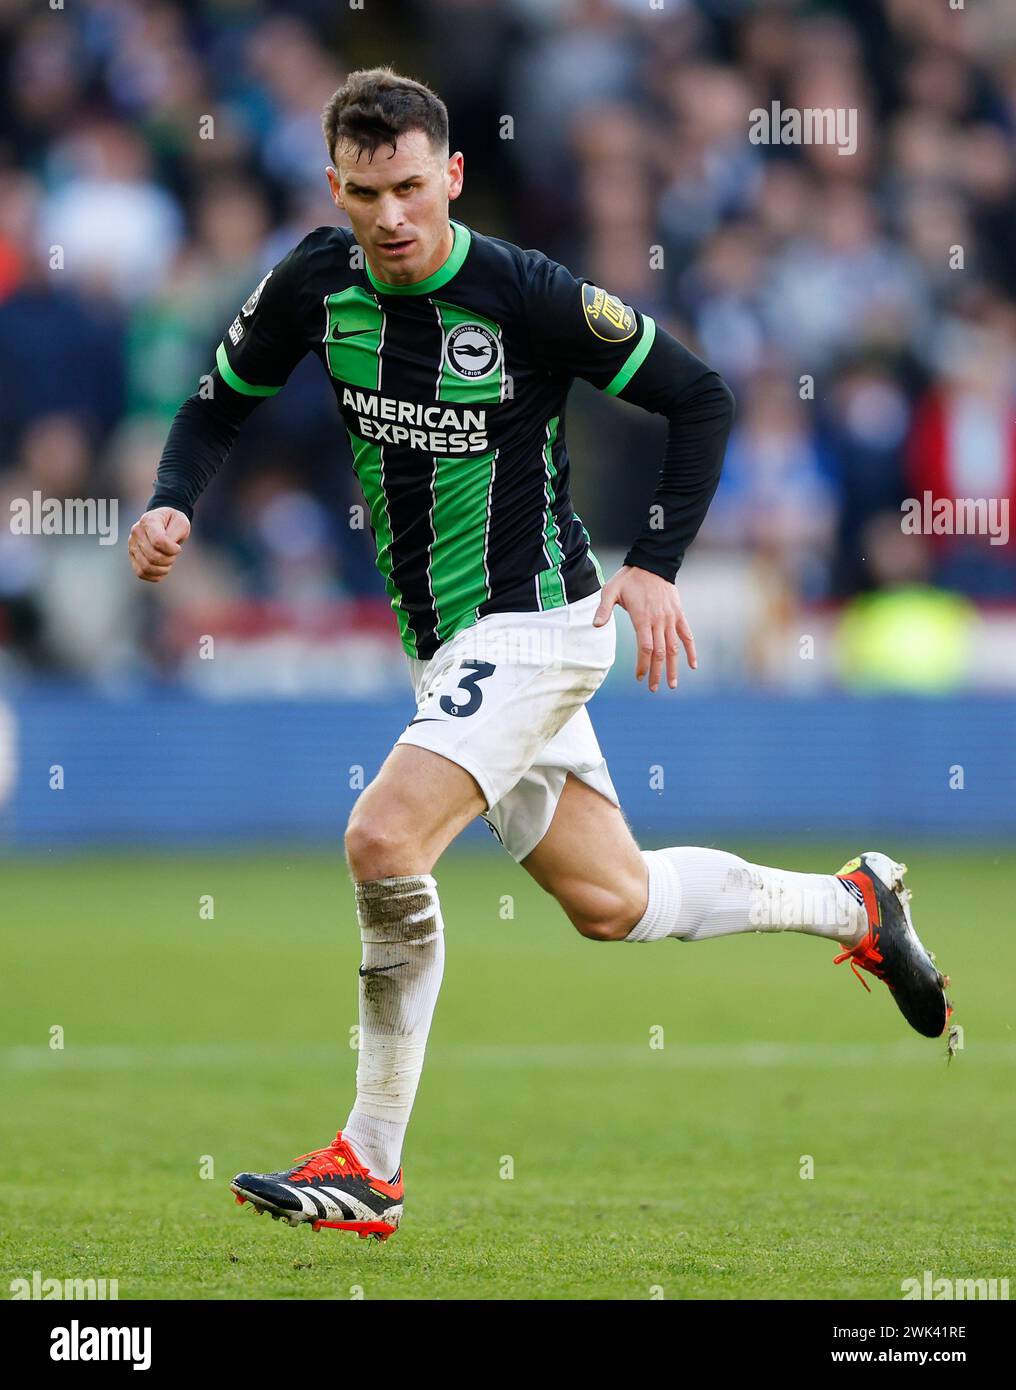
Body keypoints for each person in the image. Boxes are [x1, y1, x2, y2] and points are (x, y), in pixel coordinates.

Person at [129, 68, 951, 1243]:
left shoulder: (522, 292)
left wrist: (655, 563)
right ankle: (852, 902)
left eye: (413, 186)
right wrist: (172, 503)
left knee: (380, 835)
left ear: (452, 176)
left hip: (535, 627)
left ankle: (367, 1162)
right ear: (336, 188)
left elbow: (699, 395)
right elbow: (219, 402)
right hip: (446, 646)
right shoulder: (315, 281)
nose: (393, 216)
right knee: (613, 901)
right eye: (368, 193)